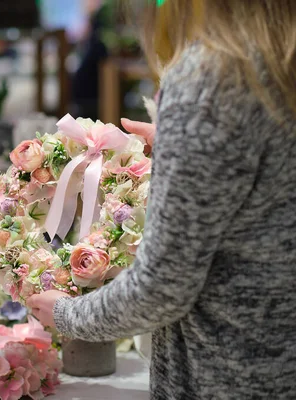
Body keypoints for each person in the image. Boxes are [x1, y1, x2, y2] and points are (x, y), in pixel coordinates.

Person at [28, 1, 296, 399]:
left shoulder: (213, 78)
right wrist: (189, 149)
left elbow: (163, 288)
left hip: (227, 377)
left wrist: (67, 315)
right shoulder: (278, 62)